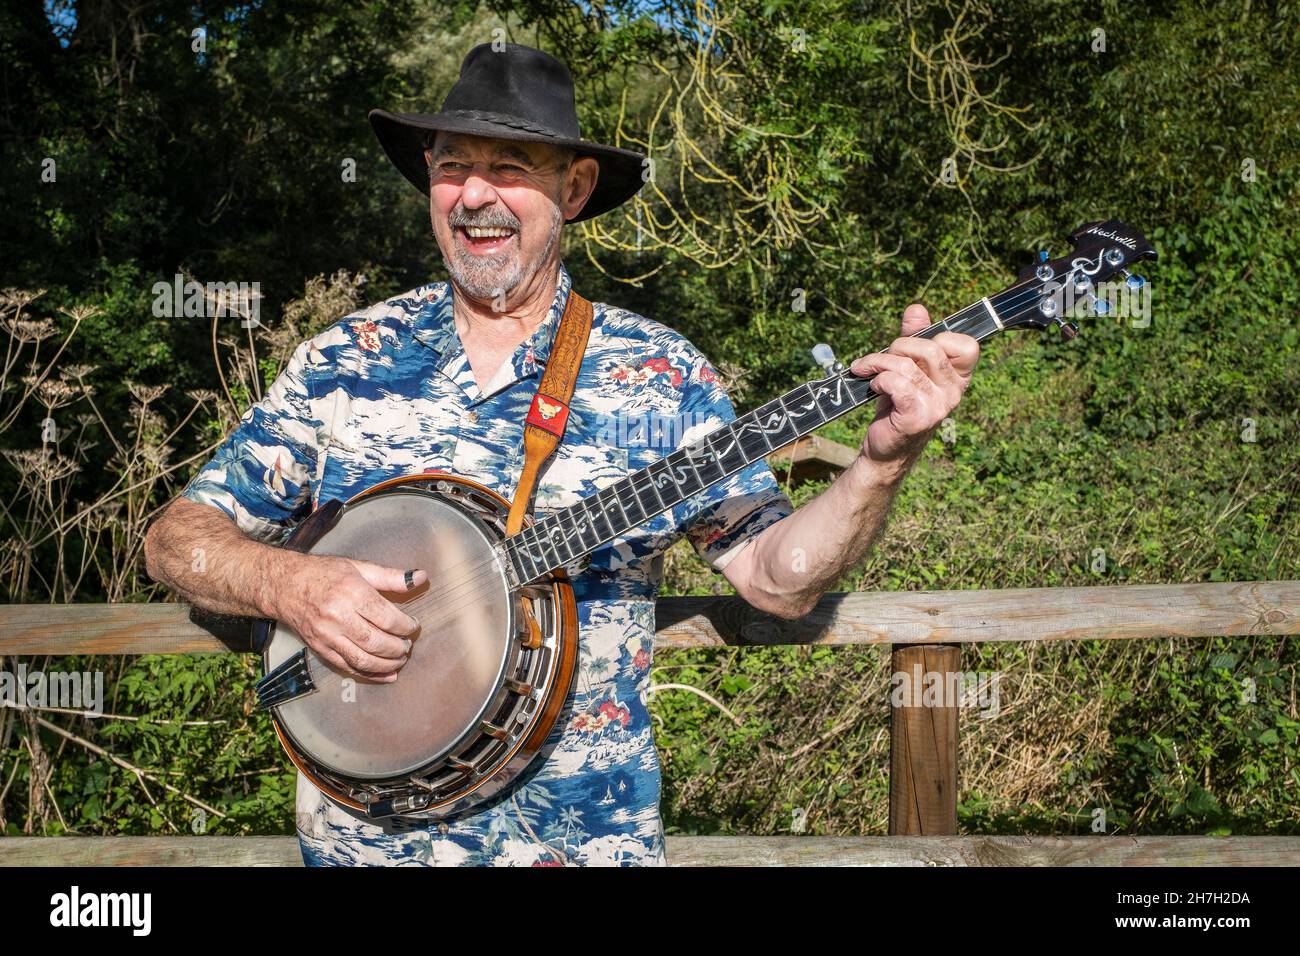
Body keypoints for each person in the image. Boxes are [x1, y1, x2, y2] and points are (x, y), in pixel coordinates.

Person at [143, 42, 980, 866]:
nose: (475, 193)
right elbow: (176, 537)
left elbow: (776, 579)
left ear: (574, 189)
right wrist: (289, 583)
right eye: (451, 164)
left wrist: (883, 459)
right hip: (361, 852)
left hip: (581, 848)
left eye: (510, 167)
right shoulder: (344, 359)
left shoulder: (662, 377)